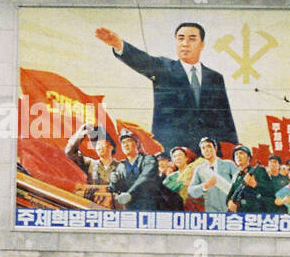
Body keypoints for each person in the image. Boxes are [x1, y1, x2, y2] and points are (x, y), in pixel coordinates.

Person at [94, 22, 238, 155]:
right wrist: (119, 45)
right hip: (171, 151)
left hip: (207, 153)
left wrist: (233, 148)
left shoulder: (214, 77)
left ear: (202, 44)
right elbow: (143, 61)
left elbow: (225, 117)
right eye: (181, 39)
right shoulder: (164, 68)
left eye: (192, 39)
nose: (185, 44)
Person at [64, 124, 119, 207]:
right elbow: (70, 152)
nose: (99, 147)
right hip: (92, 206)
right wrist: (80, 135)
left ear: (111, 147)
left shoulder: (121, 167)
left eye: (102, 143)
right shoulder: (90, 164)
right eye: (97, 144)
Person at [110, 130, 163, 211]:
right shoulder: (121, 166)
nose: (126, 145)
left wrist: (129, 193)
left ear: (137, 144)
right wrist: (114, 182)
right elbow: (118, 190)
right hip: (130, 207)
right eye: (123, 143)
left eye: (129, 141)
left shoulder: (148, 160)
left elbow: (146, 178)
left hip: (149, 205)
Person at [187, 136, 236, 213]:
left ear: (215, 148)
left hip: (231, 208)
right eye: (203, 148)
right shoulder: (199, 169)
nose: (206, 150)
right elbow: (191, 190)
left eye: (209, 147)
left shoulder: (229, 164)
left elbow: (239, 184)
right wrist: (204, 186)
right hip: (211, 211)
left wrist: (235, 201)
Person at [226, 145, 273, 214]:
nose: (238, 156)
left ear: (249, 157)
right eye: (236, 154)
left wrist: (255, 185)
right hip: (240, 211)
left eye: (241, 153)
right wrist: (229, 202)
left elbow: (270, 190)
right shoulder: (236, 175)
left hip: (257, 211)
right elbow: (231, 193)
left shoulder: (258, 170)